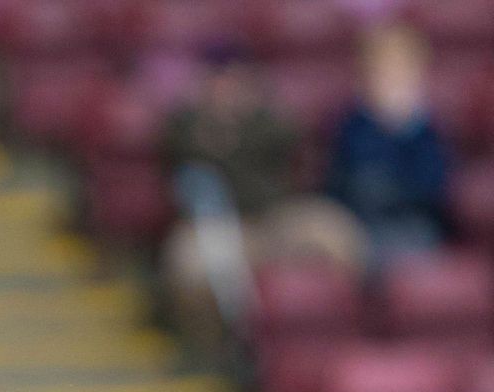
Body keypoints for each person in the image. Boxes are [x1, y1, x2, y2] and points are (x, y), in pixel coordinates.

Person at [158, 44, 365, 362]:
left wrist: (235, 129)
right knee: (187, 263)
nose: (225, 88)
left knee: (336, 232)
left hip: (277, 219)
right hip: (221, 227)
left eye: (233, 79)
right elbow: (177, 143)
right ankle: (214, 354)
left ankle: (346, 334)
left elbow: (286, 136)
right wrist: (214, 125)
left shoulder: (266, 118)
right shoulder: (187, 122)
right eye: (218, 79)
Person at [327, 22, 453, 267]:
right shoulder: (352, 126)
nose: (391, 83)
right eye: (382, 73)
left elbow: (434, 189)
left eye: (401, 74)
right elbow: (340, 185)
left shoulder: (428, 132)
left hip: (413, 227)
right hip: (359, 226)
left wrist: (404, 130)